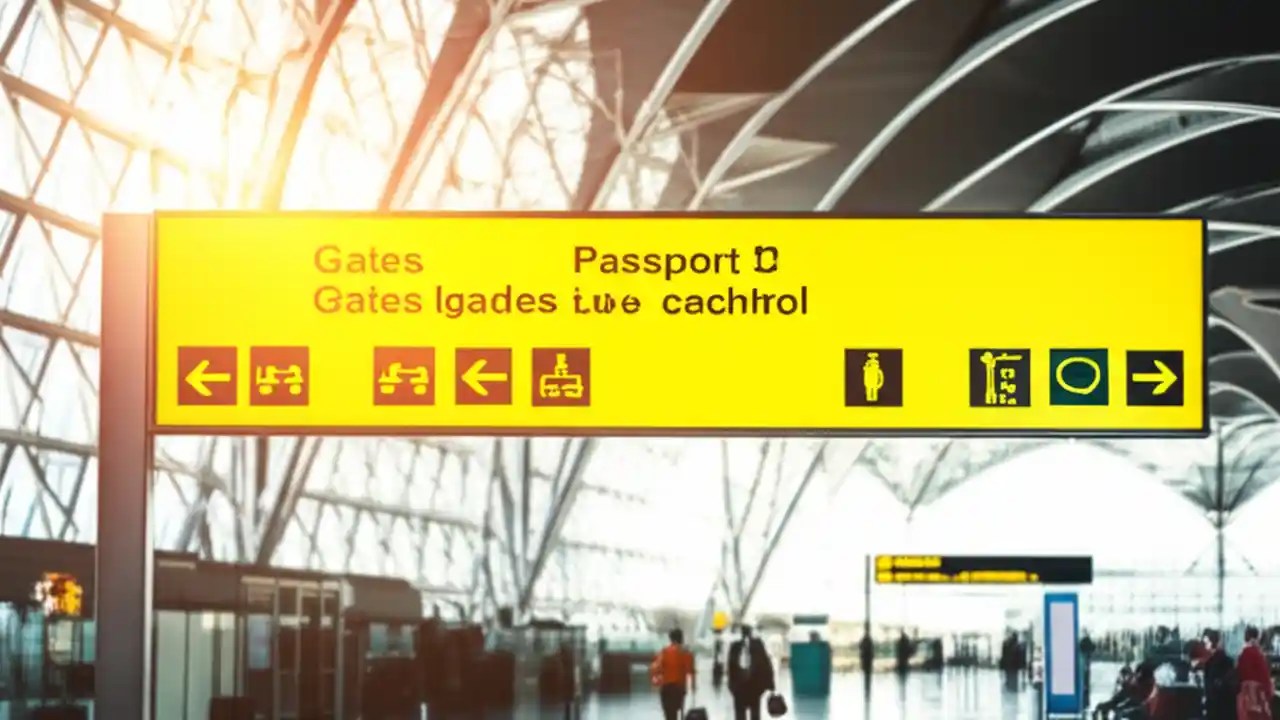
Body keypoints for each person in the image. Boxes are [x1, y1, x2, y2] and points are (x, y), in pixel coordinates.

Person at [728, 624, 775, 720]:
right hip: (739, 686)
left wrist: (770, 684)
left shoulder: (757, 645)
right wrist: (731, 685)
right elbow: (731, 666)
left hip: (754, 685)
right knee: (740, 714)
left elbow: (765, 663)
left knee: (754, 713)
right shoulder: (735, 646)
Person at [652, 629, 696, 720]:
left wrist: (656, 683)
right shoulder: (686, 652)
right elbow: (691, 671)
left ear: (671, 639)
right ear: (681, 638)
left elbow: (656, 669)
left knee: (669, 716)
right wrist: (693, 686)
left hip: (666, 688)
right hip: (679, 688)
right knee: (679, 712)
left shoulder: (664, 651)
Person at [1236, 626, 1273, 720]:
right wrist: (1268, 693)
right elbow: (1264, 676)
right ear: (1255, 638)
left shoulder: (1241, 656)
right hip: (1258, 697)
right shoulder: (1257, 655)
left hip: (1245, 698)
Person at [1202, 629, 1239, 720]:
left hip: (1216, 704)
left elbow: (1209, 686)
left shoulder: (1210, 662)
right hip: (1227, 704)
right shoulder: (1228, 660)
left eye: (1206, 643)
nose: (1205, 645)